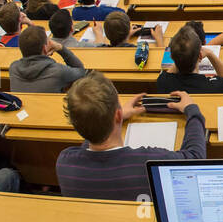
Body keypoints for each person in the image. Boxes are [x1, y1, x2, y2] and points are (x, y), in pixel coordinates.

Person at [56, 74, 203, 201]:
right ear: (118, 115)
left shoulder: (65, 162)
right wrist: (192, 110)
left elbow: (90, 133)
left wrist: (106, 118)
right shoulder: (150, 163)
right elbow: (195, 157)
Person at [157, 26, 223, 94]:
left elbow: (169, 73)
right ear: (200, 56)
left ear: (172, 56)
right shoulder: (217, 86)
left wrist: (179, 55)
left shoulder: (162, 81)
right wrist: (210, 54)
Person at [8, 25, 87, 93]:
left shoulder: (13, 68)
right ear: (45, 48)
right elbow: (80, 71)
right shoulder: (58, 71)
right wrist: (61, 48)